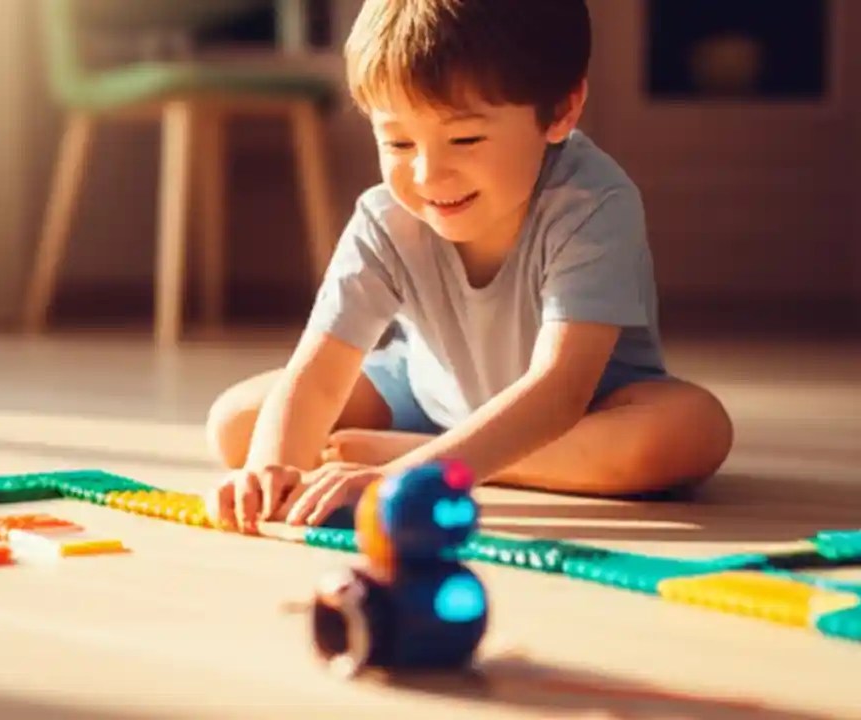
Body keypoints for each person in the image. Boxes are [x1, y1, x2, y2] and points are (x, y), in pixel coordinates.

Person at [203, 0, 734, 533]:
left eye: (465, 139)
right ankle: (449, 457)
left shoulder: (592, 204)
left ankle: (429, 458)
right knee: (238, 422)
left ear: (562, 111)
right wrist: (269, 472)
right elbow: (316, 377)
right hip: (427, 397)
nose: (430, 174)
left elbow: (559, 391)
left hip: (584, 413)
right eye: (399, 142)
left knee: (690, 433)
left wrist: (399, 478)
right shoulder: (386, 219)